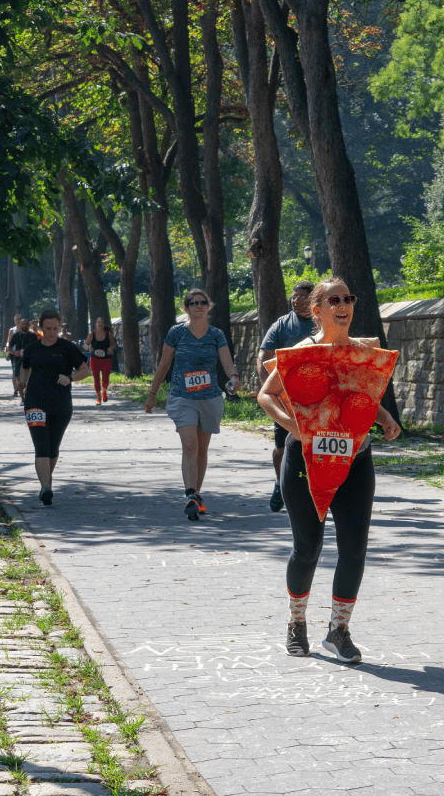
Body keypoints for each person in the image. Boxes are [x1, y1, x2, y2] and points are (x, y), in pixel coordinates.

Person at [257, 277, 402, 664]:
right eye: (334, 299)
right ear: (316, 309)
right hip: (305, 460)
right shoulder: (300, 352)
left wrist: (386, 418)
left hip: (355, 458)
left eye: (348, 298)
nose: (344, 304)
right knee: (308, 548)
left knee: (354, 549)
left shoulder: (365, 350)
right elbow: (266, 395)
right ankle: (296, 623)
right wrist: (295, 428)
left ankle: (338, 630)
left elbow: (364, 399)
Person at [144, 289, 241, 521]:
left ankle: (197, 495)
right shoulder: (176, 333)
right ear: (185, 308)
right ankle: (189, 494)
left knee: (202, 449)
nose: (198, 306)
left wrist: (234, 377)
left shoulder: (216, 334)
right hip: (182, 397)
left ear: (209, 306)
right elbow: (164, 364)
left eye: (203, 302)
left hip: (209, 397)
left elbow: (226, 362)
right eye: (193, 303)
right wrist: (152, 393)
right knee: (190, 446)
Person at [20, 310, 90, 505]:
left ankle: (46, 482)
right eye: (48, 328)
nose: (52, 332)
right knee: (41, 445)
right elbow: (25, 367)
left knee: (52, 447)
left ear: (60, 328)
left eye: (55, 328)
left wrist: (70, 378)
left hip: (60, 404)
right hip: (34, 402)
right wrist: (22, 383)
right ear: (41, 328)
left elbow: (85, 371)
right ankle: (45, 488)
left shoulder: (67, 347)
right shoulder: (32, 348)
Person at [258, 281, 317, 512]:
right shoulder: (282, 325)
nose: (296, 301)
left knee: (314, 444)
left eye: (302, 297)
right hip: (285, 397)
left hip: (315, 398)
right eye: (294, 297)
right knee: (282, 446)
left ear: (314, 300)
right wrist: (269, 390)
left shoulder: (322, 323)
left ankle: (315, 487)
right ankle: (279, 483)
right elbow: (264, 356)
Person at [85, 317, 114, 405]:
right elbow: (85, 344)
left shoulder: (108, 334)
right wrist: (89, 348)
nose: (100, 323)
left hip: (106, 360)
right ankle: (98, 398)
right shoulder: (91, 334)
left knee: (105, 378)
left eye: (102, 322)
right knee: (96, 379)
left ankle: (104, 391)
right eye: (98, 322)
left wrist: (111, 348)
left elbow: (113, 344)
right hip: (95, 360)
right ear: (95, 324)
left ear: (104, 324)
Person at [9, 318, 37, 401]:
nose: (24, 326)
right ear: (20, 325)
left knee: (28, 382)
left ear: (28, 325)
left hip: (29, 362)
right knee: (20, 383)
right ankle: (22, 399)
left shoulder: (33, 336)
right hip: (18, 361)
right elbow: (9, 347)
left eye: (26, 324)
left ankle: (27, 397)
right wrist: (14, 352)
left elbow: (37, 348)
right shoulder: (16, 335)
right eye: (23, 324)